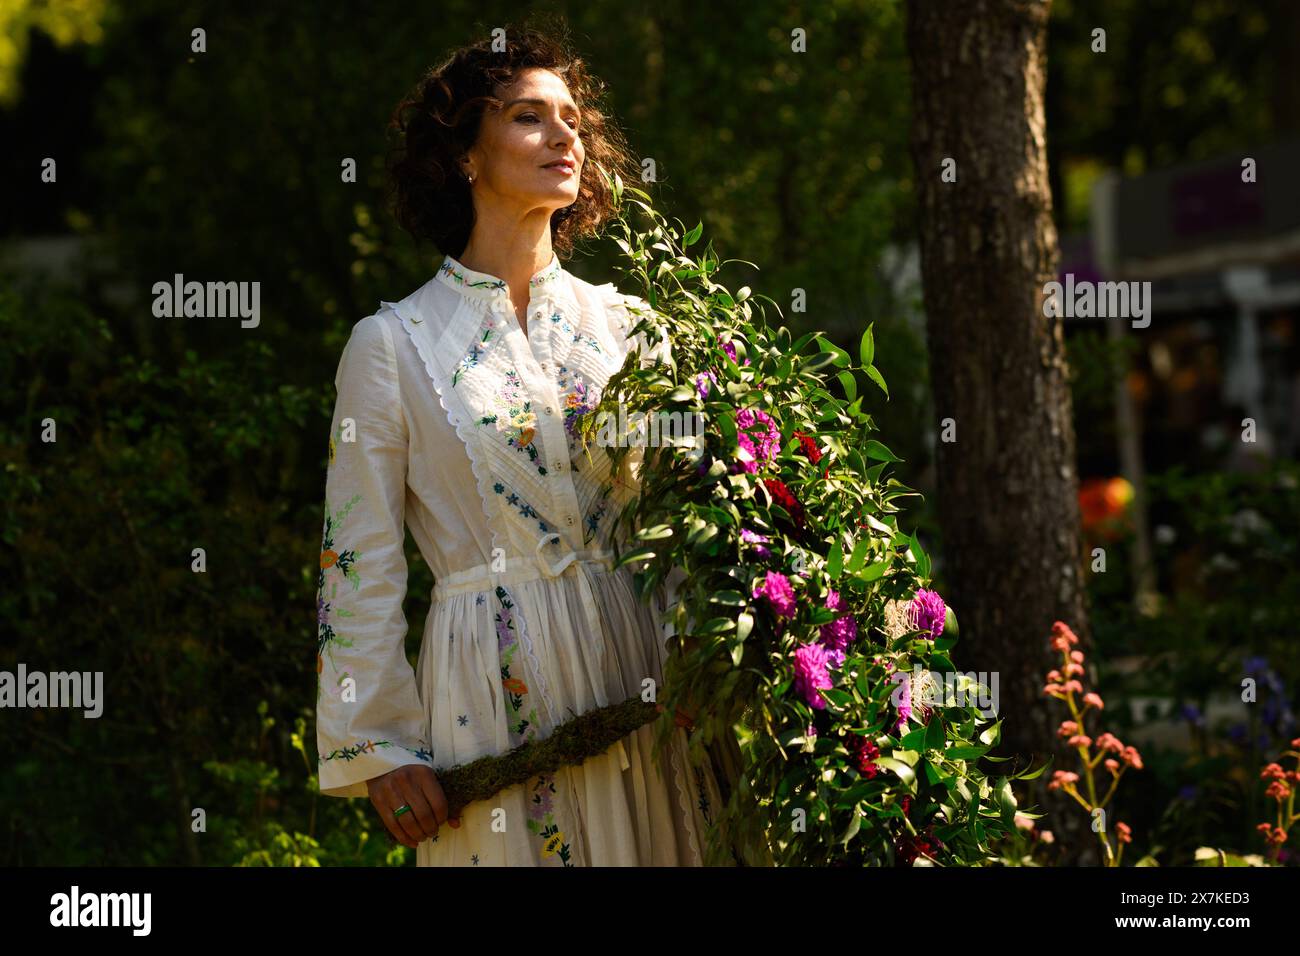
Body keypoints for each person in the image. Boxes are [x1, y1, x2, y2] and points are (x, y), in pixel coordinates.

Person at [314, 23, 736, 866]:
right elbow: (356, 562)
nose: (565, 135)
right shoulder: (391, 345)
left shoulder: (632, 328)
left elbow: (696, 515)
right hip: (489, 689)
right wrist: (378, 747)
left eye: (574, 118)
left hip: (650, 678)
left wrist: (709, 650)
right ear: (466, 152)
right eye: (529, 117)